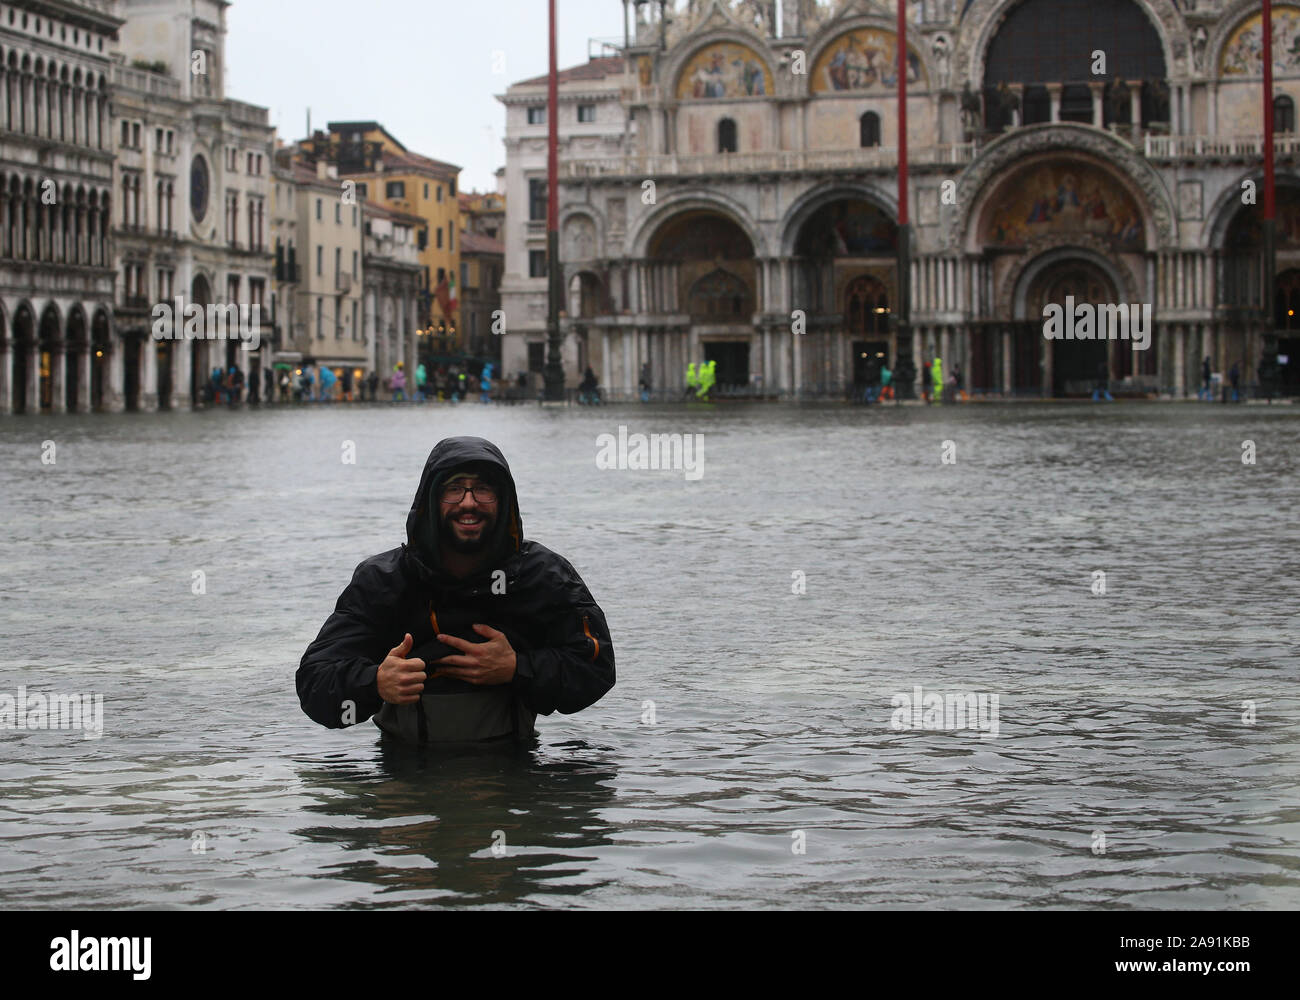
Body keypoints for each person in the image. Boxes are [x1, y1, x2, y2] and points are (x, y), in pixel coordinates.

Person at [296, 437, 616, 744]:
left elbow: (597, 669)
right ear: (431, 501)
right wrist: (375, 682)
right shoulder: (383, 580)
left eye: (483, 489)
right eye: (453, 490)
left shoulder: (543, 575)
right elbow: (314, 683)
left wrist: (517, 668)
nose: (468, 502)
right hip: (403, 774)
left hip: (514, 770)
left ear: (504, 501)